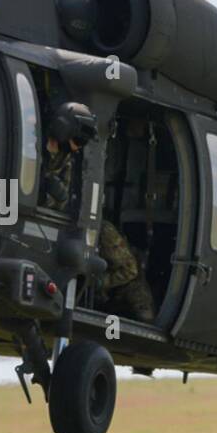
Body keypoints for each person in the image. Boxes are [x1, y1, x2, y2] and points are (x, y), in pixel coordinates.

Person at [40, 102, 155, 320]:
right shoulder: (53, 152)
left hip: (128, 297)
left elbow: (129, 270)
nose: (75, 149)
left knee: (143, 317)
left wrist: (99, 283)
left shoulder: (105, 231)